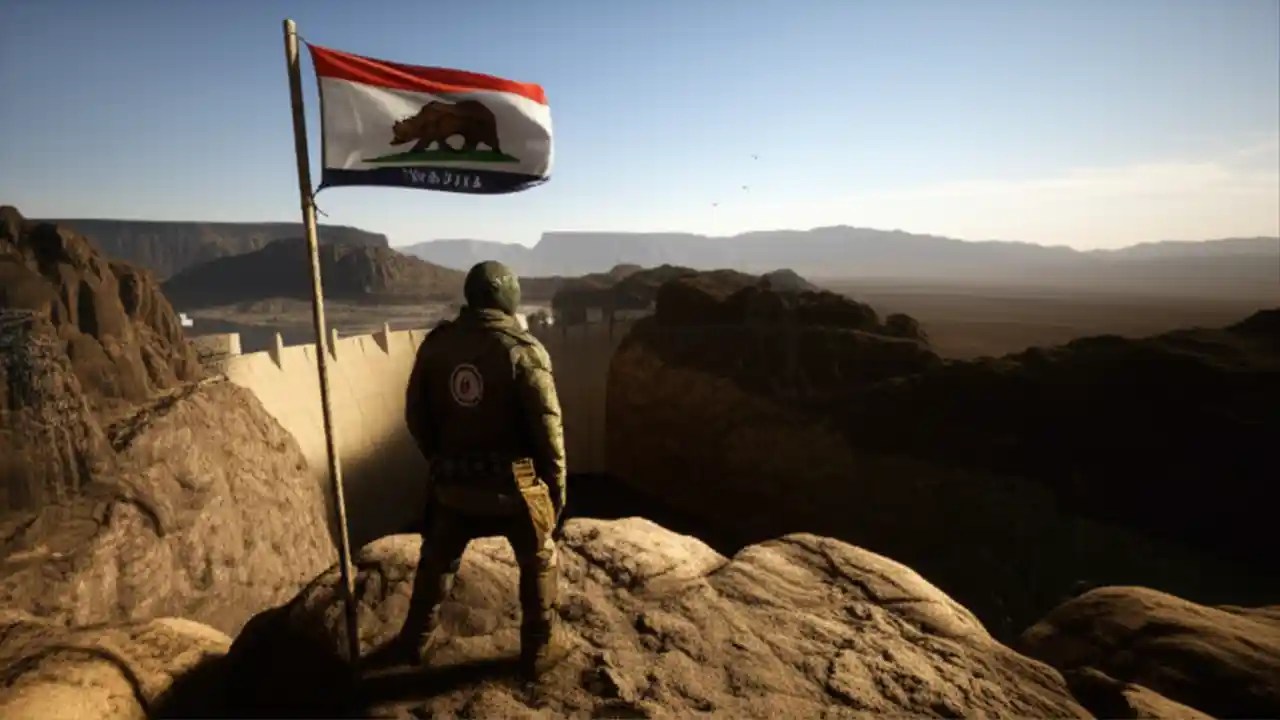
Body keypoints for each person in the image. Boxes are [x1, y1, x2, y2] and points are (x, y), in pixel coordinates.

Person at [392, 260, 569, 681]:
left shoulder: (437, 345)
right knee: (540, 557)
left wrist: (440, 459)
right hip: (515, 489)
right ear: (507, 295)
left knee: (436, 561)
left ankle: (416, 639)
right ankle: (539, 647)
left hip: (453, 486)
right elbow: (549, 430)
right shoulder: (524, 350)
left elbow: (416, 415)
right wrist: (557, 489)